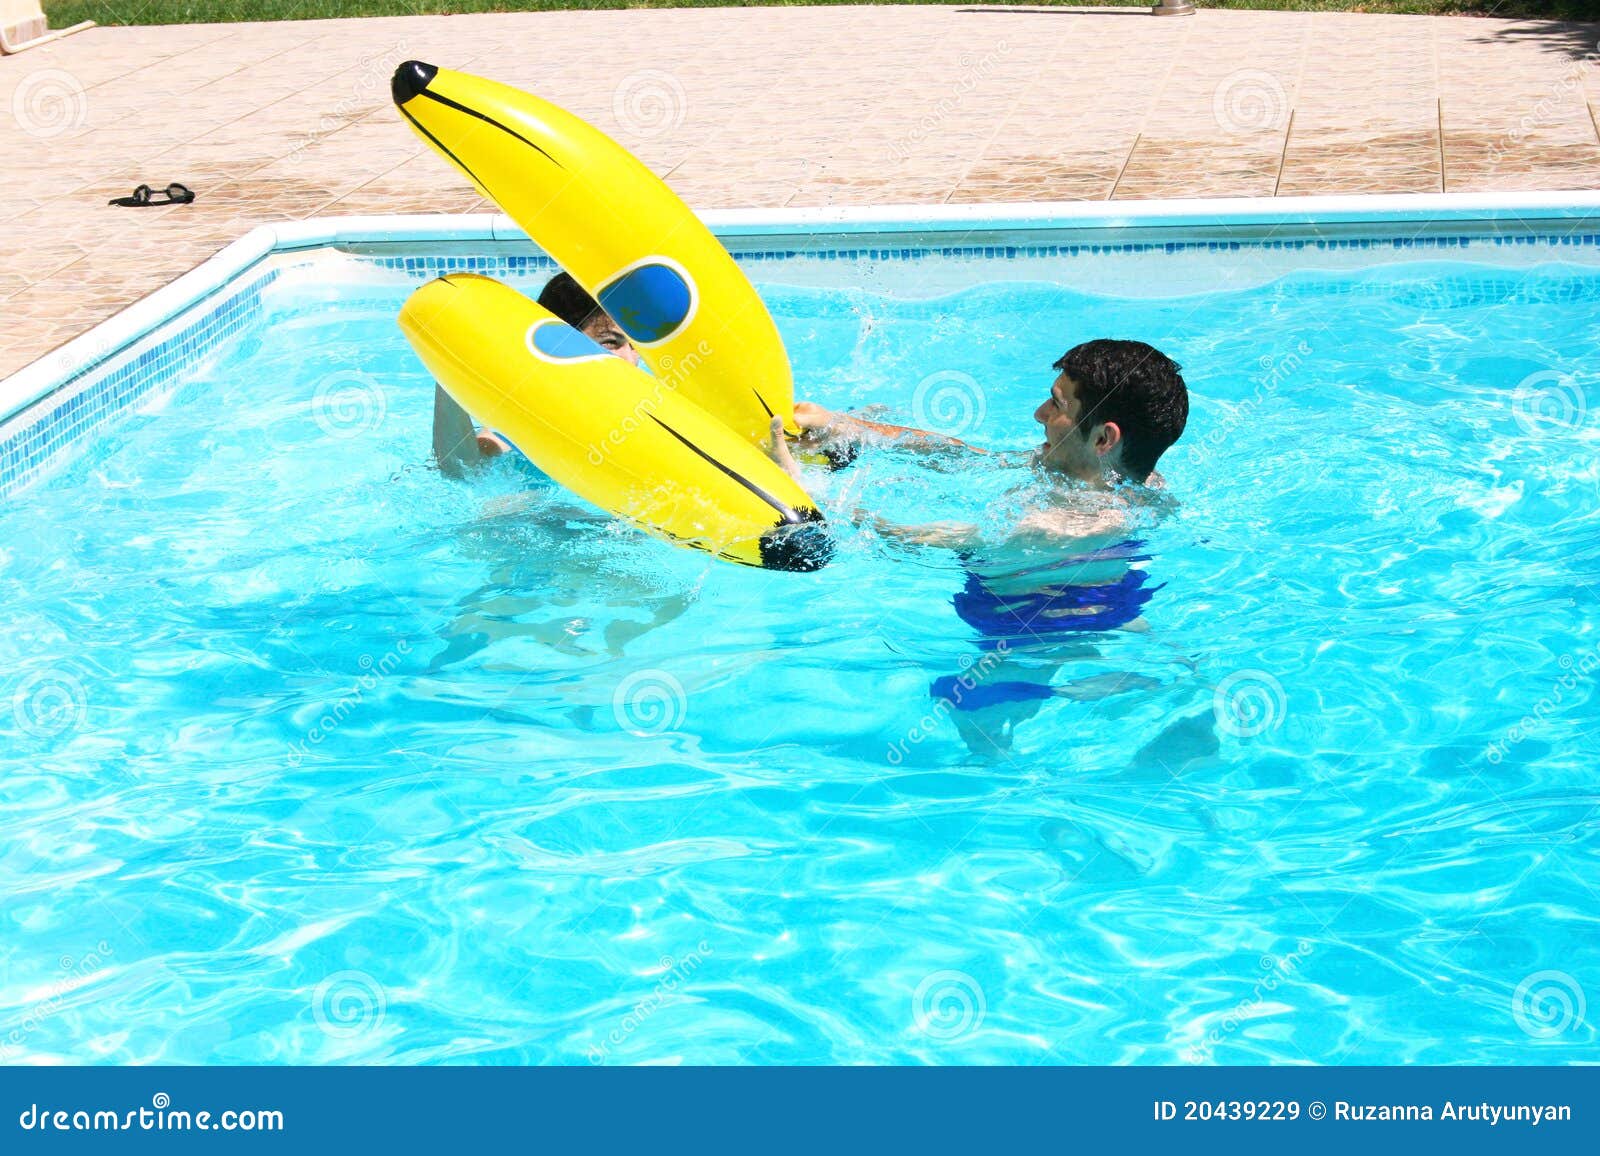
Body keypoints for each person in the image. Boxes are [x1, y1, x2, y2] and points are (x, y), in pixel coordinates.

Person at [779, 339, 1191, 746]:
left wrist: (808, 492)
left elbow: (898, 537)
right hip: (1107, 597)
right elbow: (970, 458)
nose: (1039, 414)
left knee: (973, 713)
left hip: (1024, 631)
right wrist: (855, 430)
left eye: (1058, 405)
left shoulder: (1044, 528)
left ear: (1103, 439)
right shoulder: (1138, 485)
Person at [431, 272, 639, 477]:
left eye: (636, 345)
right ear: (558, 340)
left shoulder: (645, 403)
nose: (630, 360)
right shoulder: (534, 415)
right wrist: (448, 365)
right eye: (610, 342)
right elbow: (462, 469)